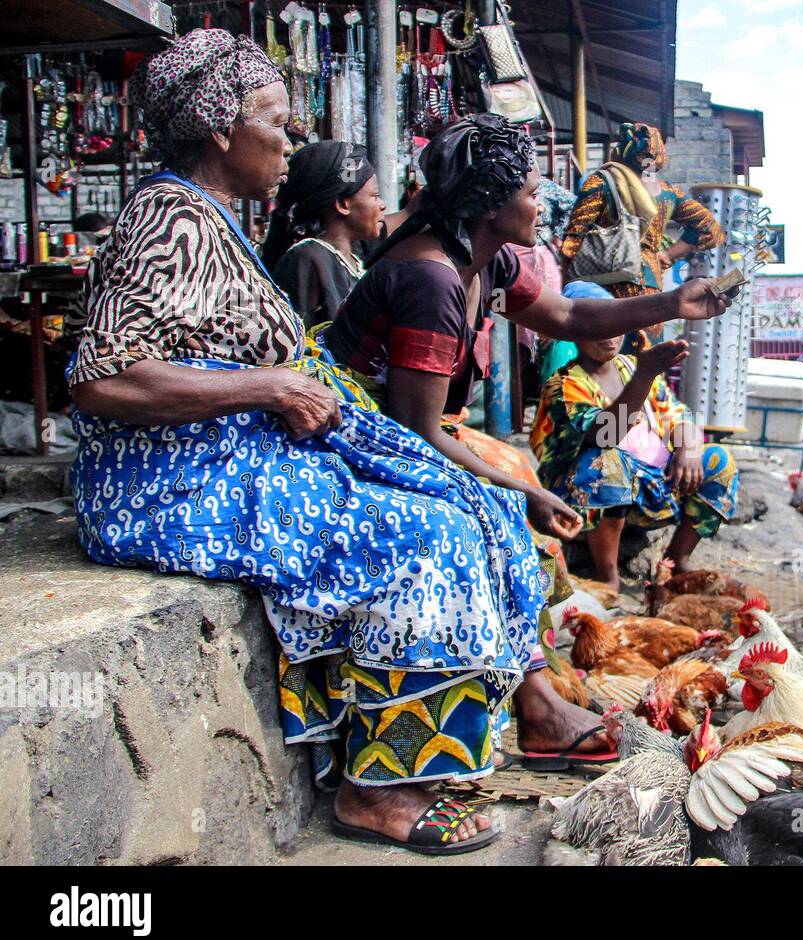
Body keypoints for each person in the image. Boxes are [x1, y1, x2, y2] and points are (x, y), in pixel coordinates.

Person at [67, 31, 730, 857]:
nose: (292, 134)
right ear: (219, 128)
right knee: (430, 530)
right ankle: (378, 790)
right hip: (165, 481)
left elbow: (564, 315)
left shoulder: (210, 217)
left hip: (224, 449)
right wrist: (271, 387)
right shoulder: (169, 218)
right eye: (275, 116)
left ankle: (514, 712)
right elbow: (102, 381)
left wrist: (670, 304)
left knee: (473, 502)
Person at [322, 112, 734, 758]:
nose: (544, 202)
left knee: (513, 485)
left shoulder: (487, 256)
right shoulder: (434, 280)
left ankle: (537, 695)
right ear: (490, 204)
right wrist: (520, 488)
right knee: (502, 505)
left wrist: (671, 302)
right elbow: (416, 430)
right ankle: (534, 706)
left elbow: (569, 312)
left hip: (408, 425)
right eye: (532, 190)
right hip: (360, 429)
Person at [530, 321, 739, 591]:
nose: (609, 336)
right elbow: (606, 435)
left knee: (718, 460)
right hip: (585, 496)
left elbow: (677, 414)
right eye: (597, 327)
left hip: (654, 487)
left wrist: (688, 448)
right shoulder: (565, 385)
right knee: (606, 463)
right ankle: (607, 575)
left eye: (614, 324)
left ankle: (676, 559)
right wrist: (644, 376)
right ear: (576, 334)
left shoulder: (630, 365)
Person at [560, 122, 724, 349]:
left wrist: (564, 283)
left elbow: (573, 238)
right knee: (647, 358)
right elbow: (712, 230)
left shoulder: (602, 182)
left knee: (606, 365)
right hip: (651, 288)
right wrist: (666, 255)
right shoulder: (668, 194)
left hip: (605, 285)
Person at [261, 140, 386, 328]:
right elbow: (295, 340)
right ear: (343, 204)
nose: (382, 204)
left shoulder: (351, 258)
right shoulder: (308, 257)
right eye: (375, 196)